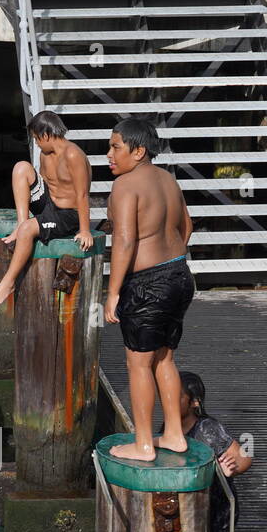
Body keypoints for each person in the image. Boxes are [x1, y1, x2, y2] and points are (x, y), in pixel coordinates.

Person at [104, 117, 194, 462]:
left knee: (138, 365)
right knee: (165, 358)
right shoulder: (168, 180)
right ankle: (173, 433)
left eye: (115, 147)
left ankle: (143, 443)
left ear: (138, 150)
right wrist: (168, 259)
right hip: (180, 276)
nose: (109, 154)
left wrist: (113, 292)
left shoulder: (126, 186)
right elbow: (188, 226)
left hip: (148, 285)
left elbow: (124, 240)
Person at [0, 109, 93, 307]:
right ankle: (21, 222)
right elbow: (43, 183)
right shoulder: (45, 154)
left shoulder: (73, 154)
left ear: (46, 134)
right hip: (50, 204)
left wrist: (85, 230)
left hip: (68, 215)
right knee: (21, 167)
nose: (35, 142)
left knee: (28, 231)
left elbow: (82, 194)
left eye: (36, 138)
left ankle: (8, 283)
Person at [178, 371, 253, 532]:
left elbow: (246, 456)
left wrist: (232, 468)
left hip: (214, 513)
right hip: (190, 508)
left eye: (176, 395)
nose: (167, 400)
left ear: (194, 402)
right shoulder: (169, 426)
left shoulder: (207, 429)